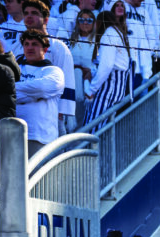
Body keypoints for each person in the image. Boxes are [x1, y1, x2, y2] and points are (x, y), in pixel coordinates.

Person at [21, 0, 74, 134]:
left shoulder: (58, 47)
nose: (29, 16)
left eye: (34, 13)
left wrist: (62, 112)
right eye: (26, 13)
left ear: (46, 19)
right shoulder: (19, 46)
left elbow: (67, 78)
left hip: (52, 114)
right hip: (24, 113)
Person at [15, 29, 62, 155]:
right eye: (26, 44)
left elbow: (43, 87)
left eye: (34, 44)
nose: (30, 47)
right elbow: (4, 90)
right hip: (14, 136)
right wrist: (34, 96)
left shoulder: (54, 71)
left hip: (41, 138)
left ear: (45, 49)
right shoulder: (14, 69)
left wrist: (17, 92)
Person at [83, 6, 130, 124]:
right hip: (116, 88)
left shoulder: (109, 34)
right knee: (104, 128)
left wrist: (91, 90)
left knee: (93, 127)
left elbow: (107, 66)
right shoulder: (117, 33)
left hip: (109, 89)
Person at [68, 8, 96, 125]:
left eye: (89, 20)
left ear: (94, 23)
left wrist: (90, 71)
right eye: (82, 20)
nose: (85, 23)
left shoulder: (98, 41)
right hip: (74, 77)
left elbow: (99, 62)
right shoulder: (71, 40)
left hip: (90, 79)